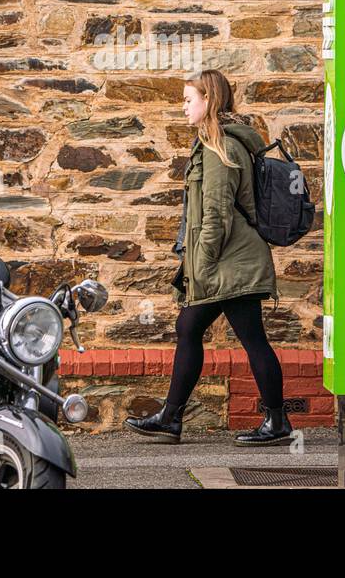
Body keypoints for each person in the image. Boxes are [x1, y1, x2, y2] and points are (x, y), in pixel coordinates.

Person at [125, 68, 292, 446]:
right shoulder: (215, 143)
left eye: (188, 100)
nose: (183, 107)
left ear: (209, 101)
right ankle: (172, 417)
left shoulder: (221, 147)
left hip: (230, 262)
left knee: (248, 338)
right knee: (193, 329)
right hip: (229, 260)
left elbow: (215, 213)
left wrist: (202, 263)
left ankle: (276, 422)